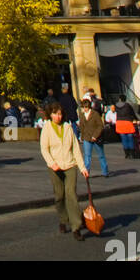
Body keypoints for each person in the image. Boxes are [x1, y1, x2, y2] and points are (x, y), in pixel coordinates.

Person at [40, 101, 89, 240]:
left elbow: (75, 149)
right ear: (50, 114)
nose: (58, 116)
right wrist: (52, 163)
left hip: (70, 164)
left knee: (71, 194)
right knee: (59, 196)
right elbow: (44, 149)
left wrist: (82, 167)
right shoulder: (47, 128)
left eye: (60, 114)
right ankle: (63, 219)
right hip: (55, 166)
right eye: (55, 114)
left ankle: (76, 226)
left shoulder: (68, 127)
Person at [80, 97, 109, 177]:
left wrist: (95, 136)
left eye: (86, 107)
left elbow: (100, 126)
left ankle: (105, 172)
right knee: (87, 156)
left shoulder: (95, 114)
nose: (84, 109)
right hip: (86, 138)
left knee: (101, 155)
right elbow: (81, 127)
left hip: (96, 138)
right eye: (83, 107)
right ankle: (87, 172)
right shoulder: (82, 115)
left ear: (89, 107)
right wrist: (82, 137)